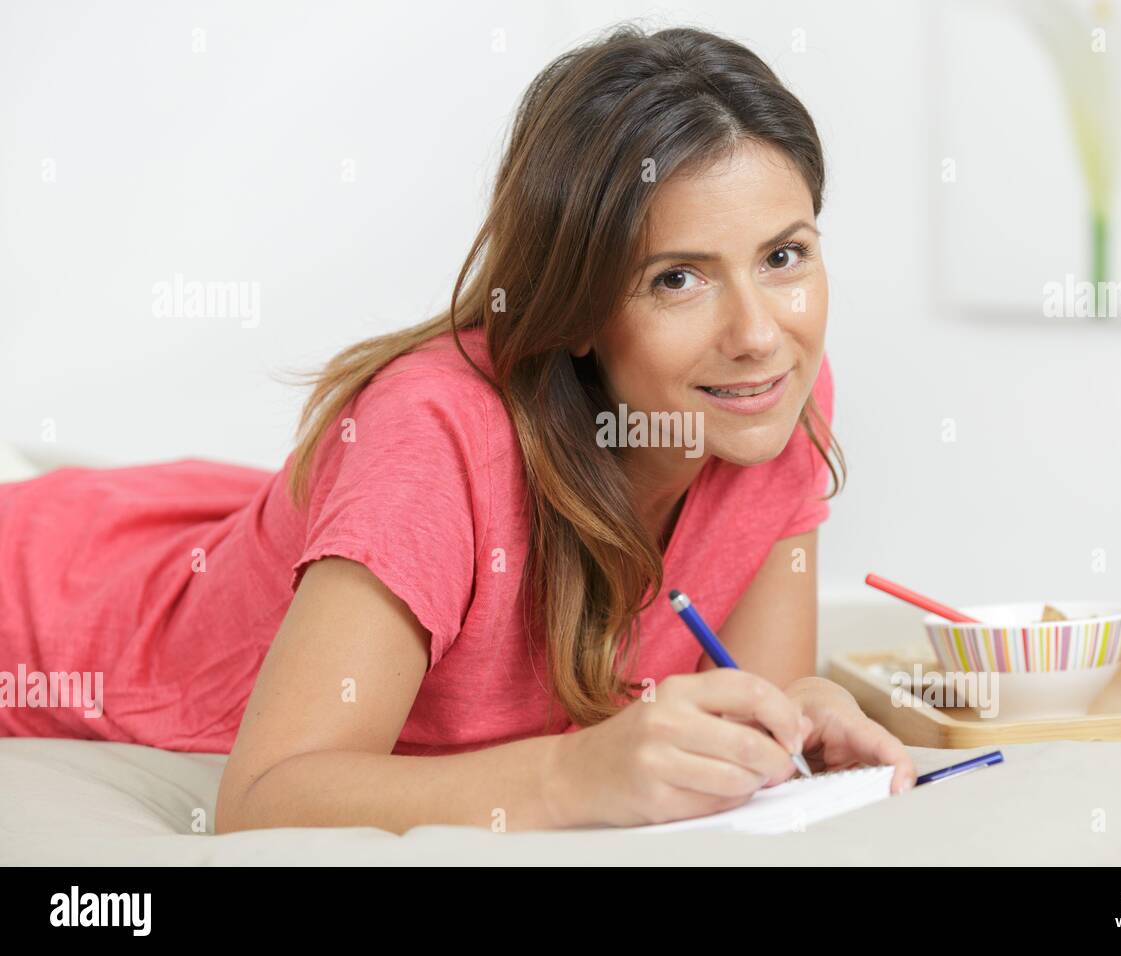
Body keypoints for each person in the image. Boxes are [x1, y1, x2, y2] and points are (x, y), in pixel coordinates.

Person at [0, 23, 916, 834]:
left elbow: (748, 702)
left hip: (223, 536)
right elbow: (266, 798)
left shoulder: (768, 395)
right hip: (43, 606)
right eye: (678, 277)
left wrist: (803, 711)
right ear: (579, 304)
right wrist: (572, 776)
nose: (760, 335)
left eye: (784, 256)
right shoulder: (432, 436)